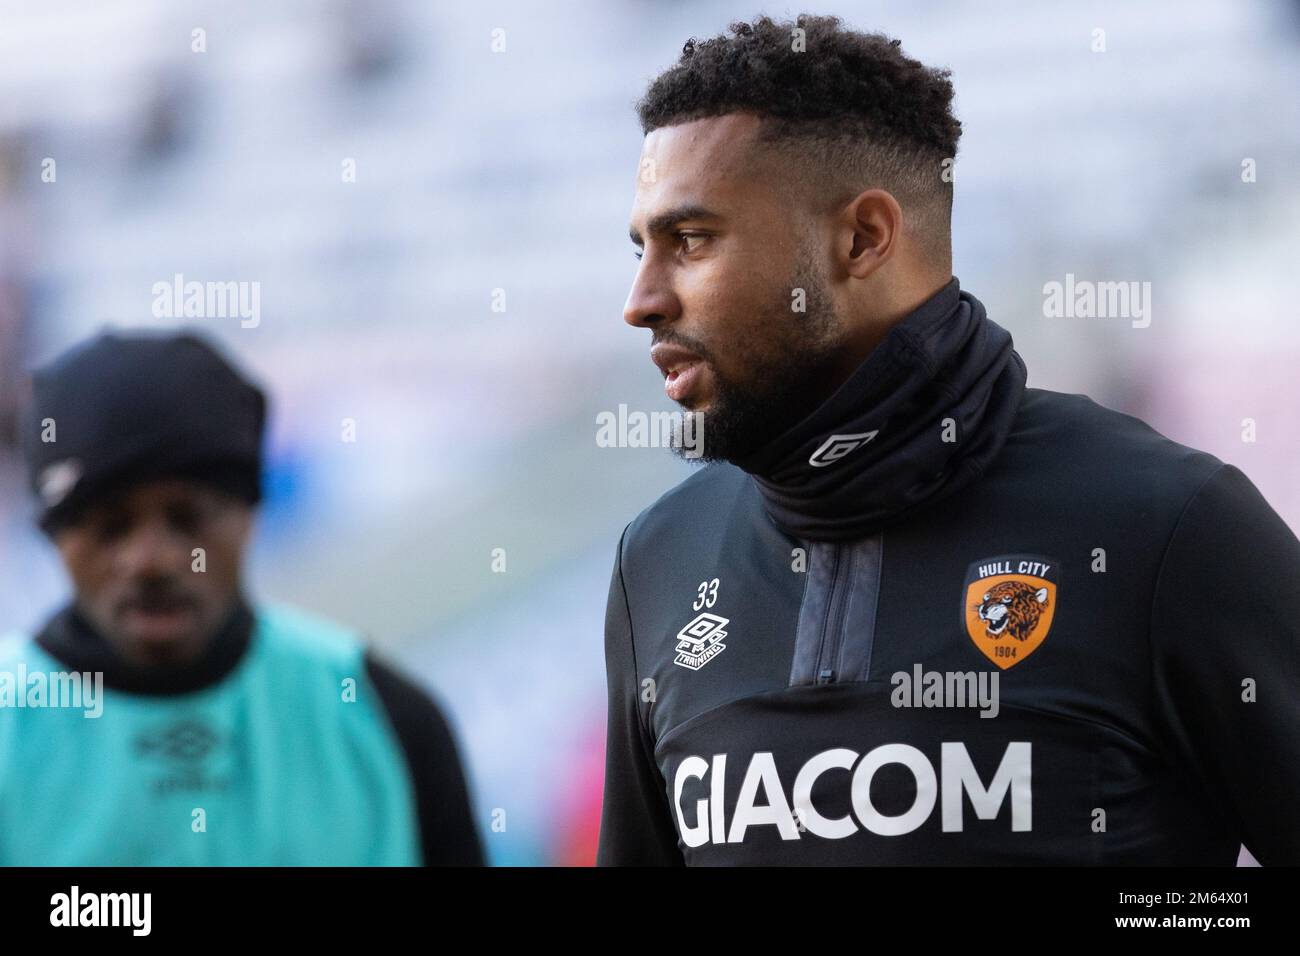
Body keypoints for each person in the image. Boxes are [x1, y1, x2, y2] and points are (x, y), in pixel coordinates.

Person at [598, 14, 1300, 865]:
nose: (641, 300)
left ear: (862, 238)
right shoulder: (660, 559)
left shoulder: (1171, 524)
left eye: (692, 240)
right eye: (642, 248)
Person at [0, 329, 484, 866]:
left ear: (250, 512)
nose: (150, 561)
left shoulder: (383, 716)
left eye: (187, 518)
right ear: (54, 537)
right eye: (109, 526)